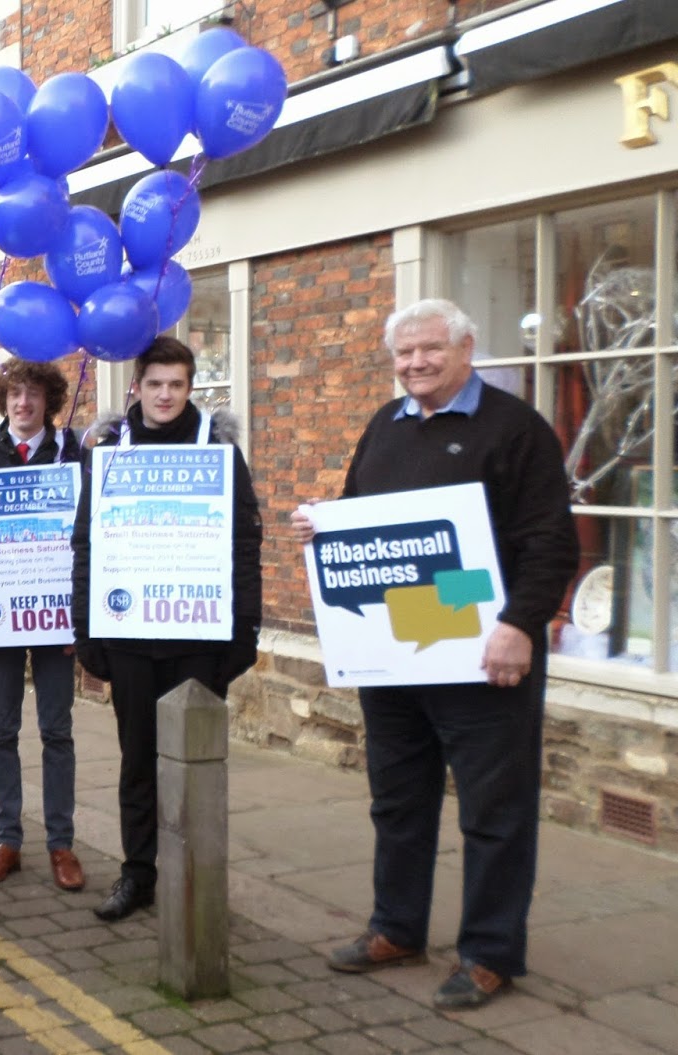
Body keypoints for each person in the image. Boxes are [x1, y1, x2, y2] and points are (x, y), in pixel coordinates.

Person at [291, 299, 578, 1010]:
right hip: (395, 654)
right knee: (398, 800)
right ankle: (397, 926)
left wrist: (518, 624)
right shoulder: (384, 426)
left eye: (429, 350)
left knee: (494, 809)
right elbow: (363, 518)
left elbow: (551, 541)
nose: (415, 363)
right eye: (403, 353)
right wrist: (323, 529)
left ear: (465, 350)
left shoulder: (515, 430)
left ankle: (489, 951)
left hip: (484, 654)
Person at [71, 336, 263, 923]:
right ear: (136, 386)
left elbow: (245, 545)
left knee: (197, 763)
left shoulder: (220, 453)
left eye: (177, 385)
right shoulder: (108, 452)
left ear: (190, 388)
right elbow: (86, 544)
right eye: (155, 384)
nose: (165, 395)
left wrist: (244, 632)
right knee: (137, 761)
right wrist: (86, 631)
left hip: (200, 641)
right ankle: (139, 875)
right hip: (128, 637)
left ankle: (197, 875)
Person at [0, 360, 86, 894]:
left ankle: (61, 844)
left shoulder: (75, 454)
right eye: (15, 393)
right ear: (2, 399)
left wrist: (78, 620)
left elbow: (87, 540)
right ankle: (7, 839)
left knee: (57, 731)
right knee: (0, 731)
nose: (24, 403)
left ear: (49, 400)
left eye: (34, 394)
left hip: (55, 618)